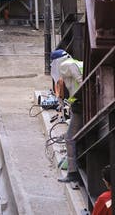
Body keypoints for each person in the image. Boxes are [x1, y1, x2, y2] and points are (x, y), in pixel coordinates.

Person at [50, 48, 84, 184]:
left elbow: (80, 79)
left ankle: (72, 172)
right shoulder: (76, 61)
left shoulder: (65, 64)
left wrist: (82, 91)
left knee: (70, 138)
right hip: (82, 104)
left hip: (81, 105)